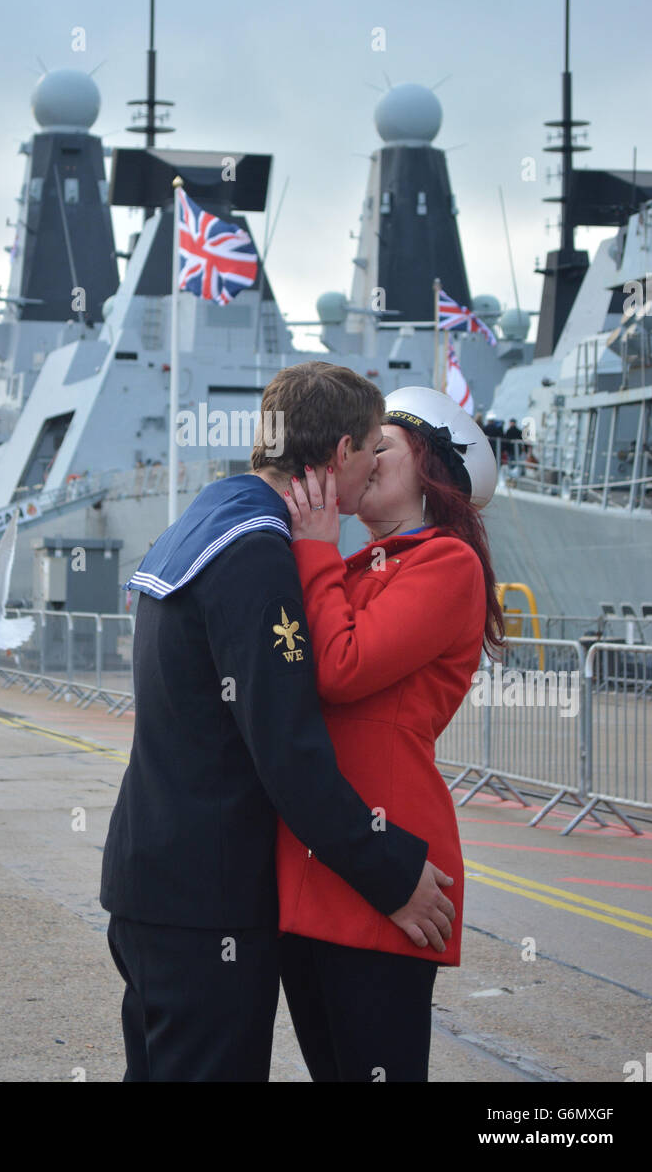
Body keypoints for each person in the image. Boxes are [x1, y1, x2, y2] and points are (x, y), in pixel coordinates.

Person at [100, 362, 456, 1083]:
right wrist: (391, 875)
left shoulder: (210, 517)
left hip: (153, 879)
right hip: (208, 900)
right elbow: (288, 752)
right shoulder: (258, 555)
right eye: (370, 451)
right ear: (337, 457)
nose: (370, 473)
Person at [276, 386, 504, 1081]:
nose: (366, 455)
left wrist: (313, 548)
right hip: (312, 865)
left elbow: (341, 670)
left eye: (385, 445)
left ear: (431, 471)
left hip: (388, 872)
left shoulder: (447, 564)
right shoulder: (354, 568)